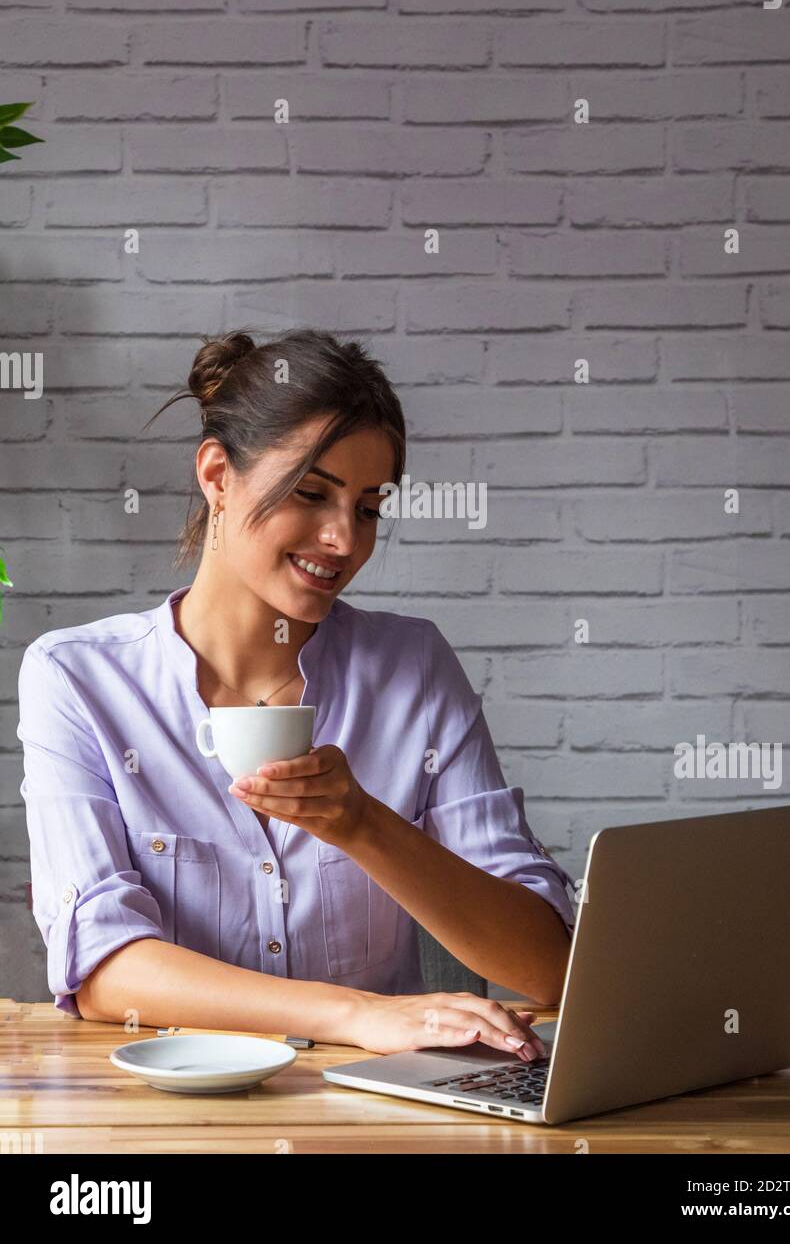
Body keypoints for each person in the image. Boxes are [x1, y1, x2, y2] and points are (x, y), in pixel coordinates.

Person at [19, 328, 576, 1061]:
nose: (344, 540)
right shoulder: (79, 678)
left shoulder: (413, 668)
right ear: (217, 475)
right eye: (311, 494)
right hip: (167, 1111)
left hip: (374, 1112)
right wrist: (356, 1015)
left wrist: (363, 826)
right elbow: (101, 964)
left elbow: (548, 966)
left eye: (369, 507)